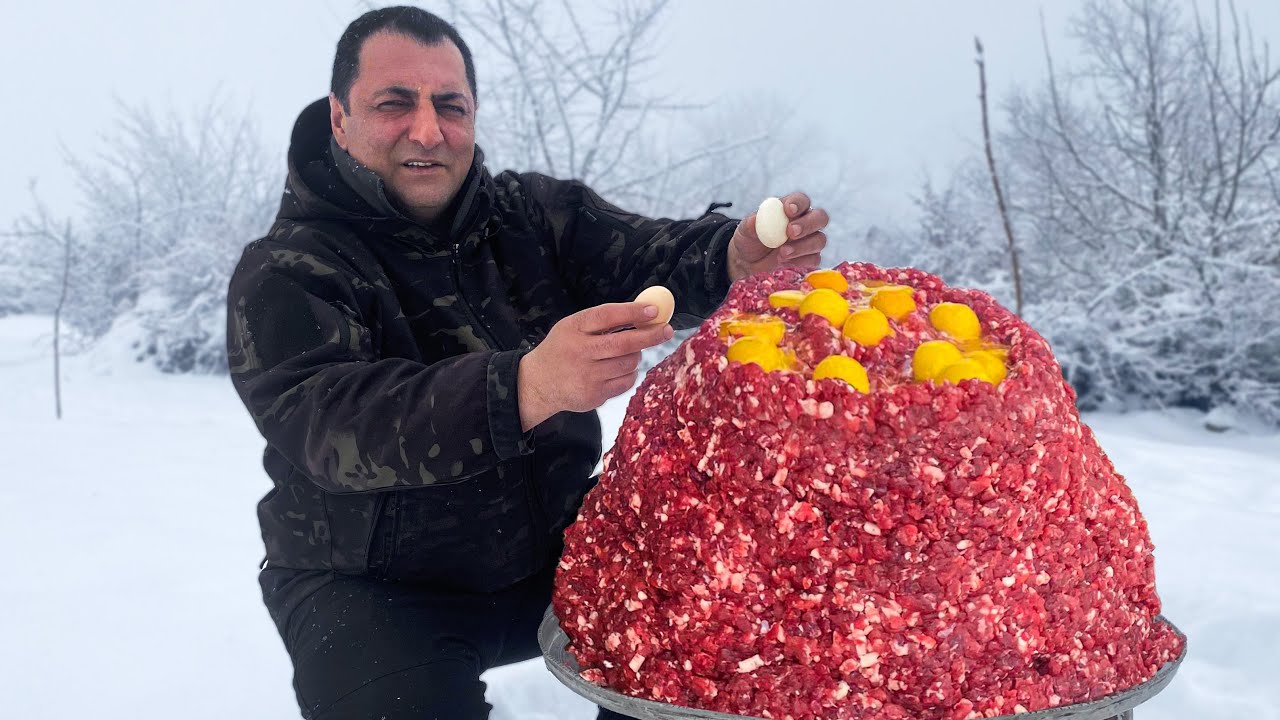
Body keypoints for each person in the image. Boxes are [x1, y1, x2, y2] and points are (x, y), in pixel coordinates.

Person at [225, 6, 829, 719]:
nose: (427, 130)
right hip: (368, 582)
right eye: (395, 104)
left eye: (450, 106)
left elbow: (644, 255)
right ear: (339, 118)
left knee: (717, 644)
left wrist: (729, 256)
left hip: (551, 545)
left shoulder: (533, 216)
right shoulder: (287, 271)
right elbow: (336, 425)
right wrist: (526, 386)